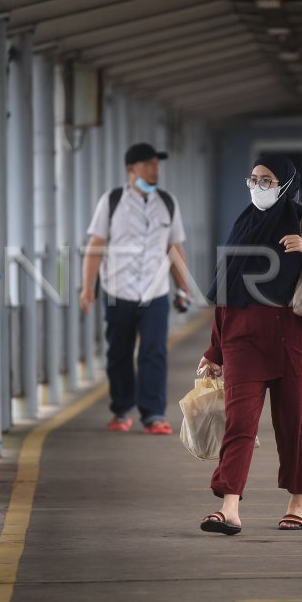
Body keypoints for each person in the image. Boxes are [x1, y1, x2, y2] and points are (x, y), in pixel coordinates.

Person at [196, 154, 302, 535]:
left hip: (291, 341)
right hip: (242, 342)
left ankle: (297, 502)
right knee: (239, 424)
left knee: (293, 425)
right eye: (253, 179)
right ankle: (230, 507)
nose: (257, 186)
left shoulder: (301, 222)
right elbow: (225, 295)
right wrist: (214, 351)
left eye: (266, 180)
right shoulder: (243, 225)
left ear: (285, 184)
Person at [80, 142, 191, 435]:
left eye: (157, 163)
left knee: (154, 351)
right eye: (149, 163)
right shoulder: (112, 201)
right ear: (132, 168)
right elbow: (95, 246)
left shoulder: (167, 202)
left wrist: (184, 288)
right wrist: (86, 288)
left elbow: (174, 247)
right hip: (118, 291)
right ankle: (120, 409)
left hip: (155, 291)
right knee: (119, 351)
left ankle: (153, 414)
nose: (155, 169)